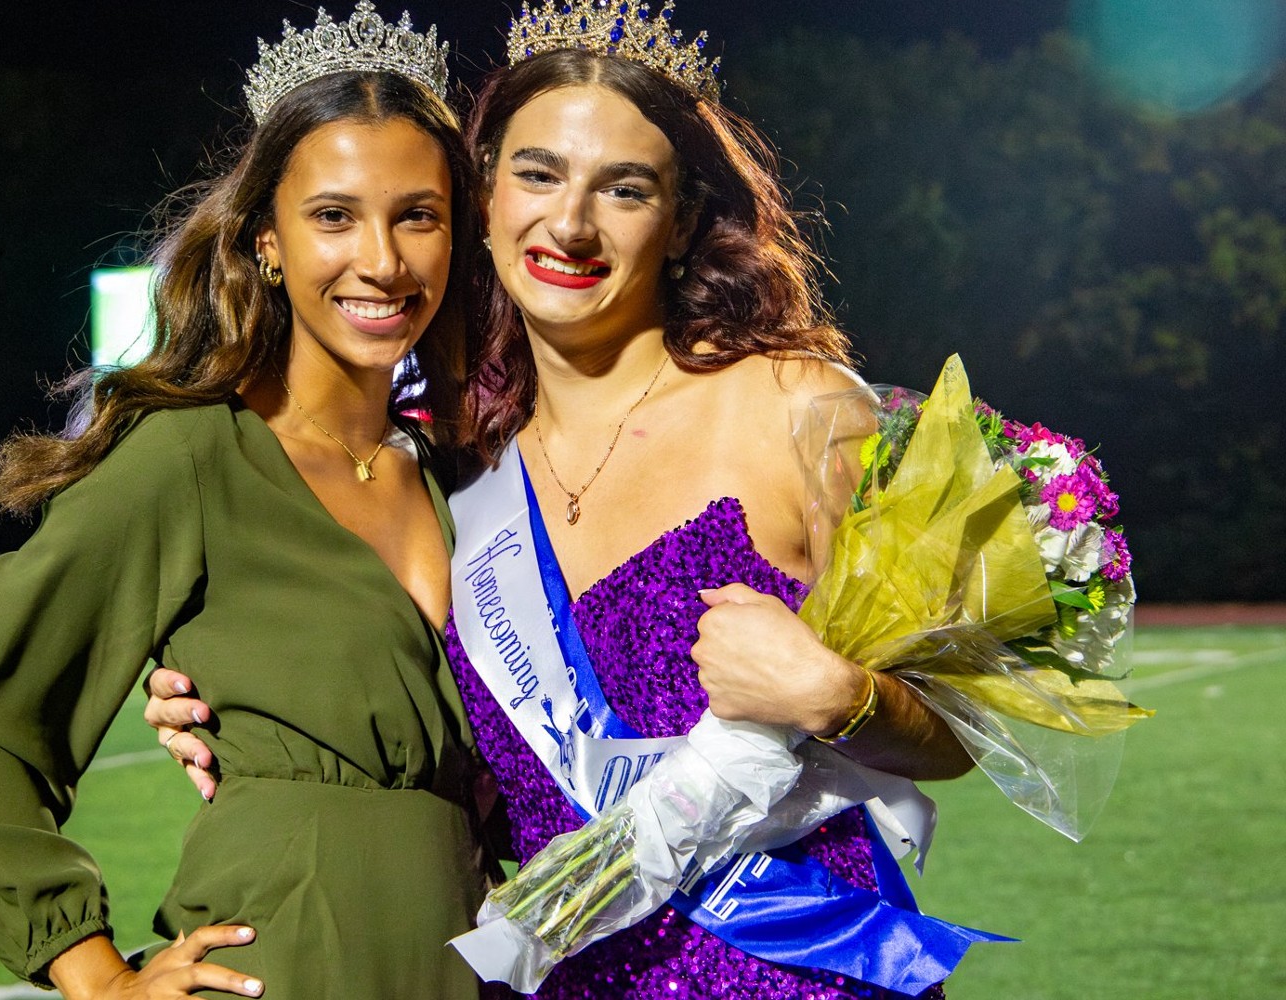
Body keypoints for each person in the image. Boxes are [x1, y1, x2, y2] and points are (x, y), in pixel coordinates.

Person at [150, 2, 980, 998]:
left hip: (805, 968)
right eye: (538, 174)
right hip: (560, 973)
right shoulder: (456, 473)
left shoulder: (799, 409)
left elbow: (958, 729)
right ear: (485, 193)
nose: (571, 224)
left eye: (623, 189)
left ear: (681, 222)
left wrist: (840, 698)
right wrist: (233, 701)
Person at [0, 5, 493, 997]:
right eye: (334, 216)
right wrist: (99, 977)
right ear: (267, 239)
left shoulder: (461, 473)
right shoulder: (187, 455)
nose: (382, 260)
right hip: (281, 965)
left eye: (417, 216)